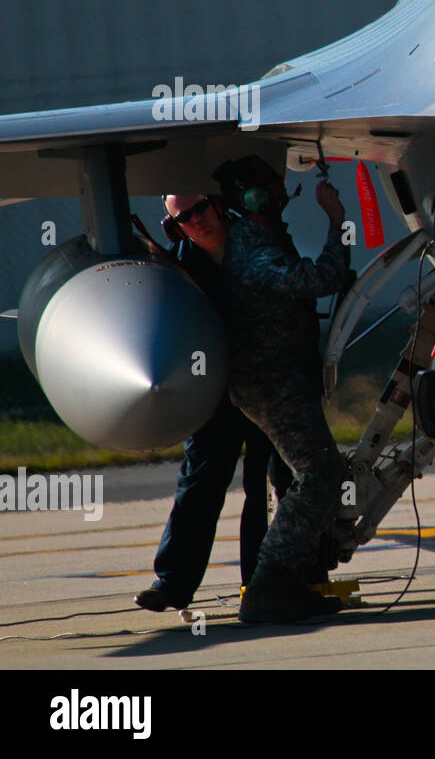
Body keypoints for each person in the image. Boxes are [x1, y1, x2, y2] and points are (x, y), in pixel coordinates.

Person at [212, 155, 353, 624]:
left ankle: (292, 583)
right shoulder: (254, 247)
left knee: (303, 476)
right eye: (272, 188)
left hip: (280, 377)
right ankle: (268, 586)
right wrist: (337, 223)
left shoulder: (259, 239)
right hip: (271, 382)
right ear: (253, 198)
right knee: (318, 474)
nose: (279, 197)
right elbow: (316, 280)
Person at [135, 193, 292, 613]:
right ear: (174, 227)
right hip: (216, 394)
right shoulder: (178, 268)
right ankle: (172, 583)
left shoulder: (256, 243)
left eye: (199, 209)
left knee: (278, 483)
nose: (196, 221)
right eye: (183, 218)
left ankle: (265, 582)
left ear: (217, 205)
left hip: (269, 388)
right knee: (200, 481)